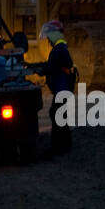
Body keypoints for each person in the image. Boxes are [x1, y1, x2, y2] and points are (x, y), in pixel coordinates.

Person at [36, 20, 76, 155]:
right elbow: (52, 65)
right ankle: (62, 146)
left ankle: (60, 147)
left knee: (57, 115)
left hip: (61, 90)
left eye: (48, 37)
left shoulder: (60, 50)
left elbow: (52, 66)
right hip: (62, 89)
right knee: (57, 115)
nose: (47, 40)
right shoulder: (60, 49)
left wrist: (40, 70)